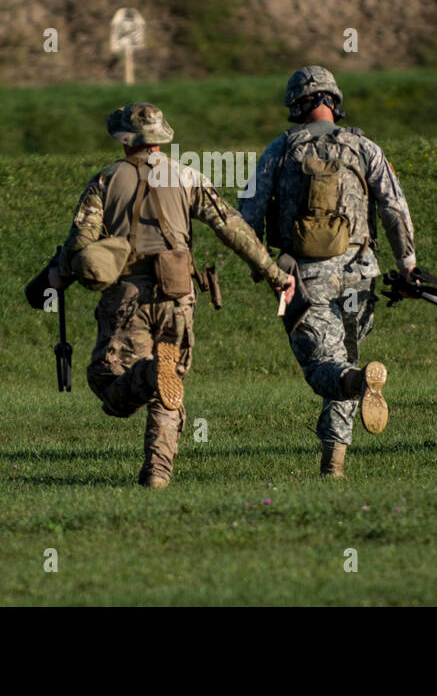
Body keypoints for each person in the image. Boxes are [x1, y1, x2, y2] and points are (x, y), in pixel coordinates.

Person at [53, 103, 294, 488]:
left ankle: (149, 373)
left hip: (126, 295)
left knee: (105, 378)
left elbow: (80, 242)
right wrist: (273, 273)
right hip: (179, 293)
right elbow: (231, 226)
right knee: (171, 386)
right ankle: (158, 472)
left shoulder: (105, 181)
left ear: (123, 139)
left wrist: (61, 273)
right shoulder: (187, 176)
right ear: (160, 138)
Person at [239, 67, 421, 478]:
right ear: (334, 103)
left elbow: (246, 219)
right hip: (361, 274)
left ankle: (356, 387)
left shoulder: (279, 151)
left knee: (324, 368)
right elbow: (394, 207)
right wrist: (407, 266)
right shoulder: (365, 147)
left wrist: (264, 268)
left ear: (297, 105)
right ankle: (333, 465)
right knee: (346, 357)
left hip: (305, 278)